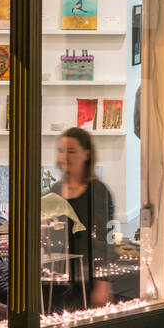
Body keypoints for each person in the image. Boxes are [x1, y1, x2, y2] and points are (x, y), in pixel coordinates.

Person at [47, 127, 116, 309]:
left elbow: (103, 238)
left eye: (71, 151)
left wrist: (102, 281)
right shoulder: (55, 190)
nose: (65, 157)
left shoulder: (98, 191)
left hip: (89, 276)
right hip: (59, 278)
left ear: (86, 154)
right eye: (62, 151)